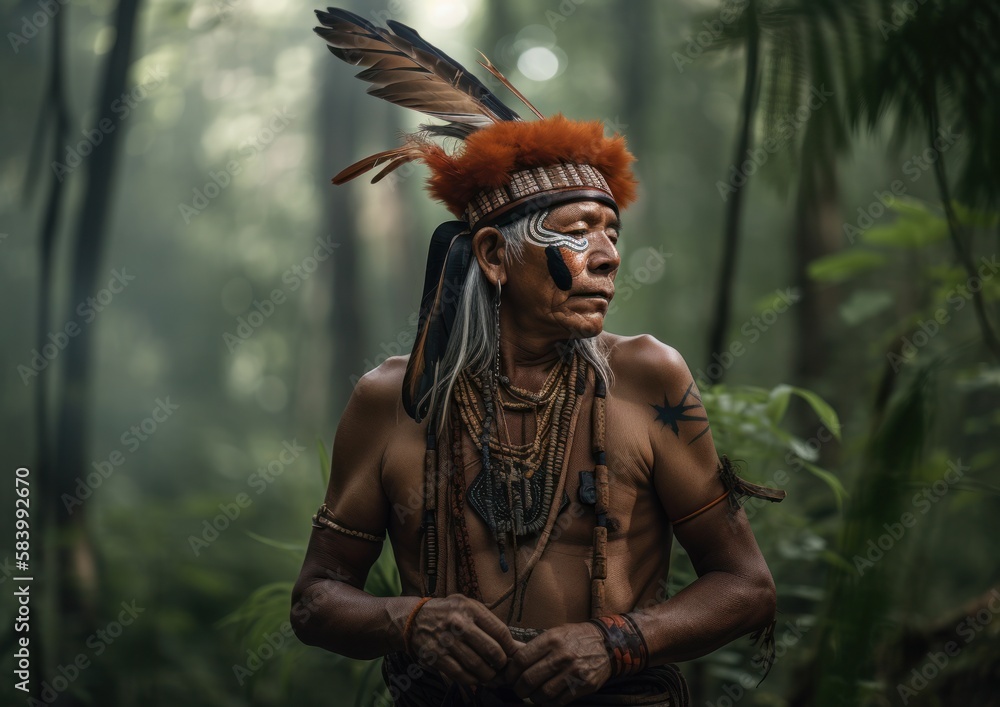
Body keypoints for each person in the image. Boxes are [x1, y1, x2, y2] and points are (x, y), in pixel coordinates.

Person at [293, 9, 784, 706]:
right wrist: (412, 619)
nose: (611, 257)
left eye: (613, 233)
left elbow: (748, 588)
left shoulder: (648, 380)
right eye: (580, 233)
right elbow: (314, 599)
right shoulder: (392, 400)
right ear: (495, 255)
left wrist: (619, 641)